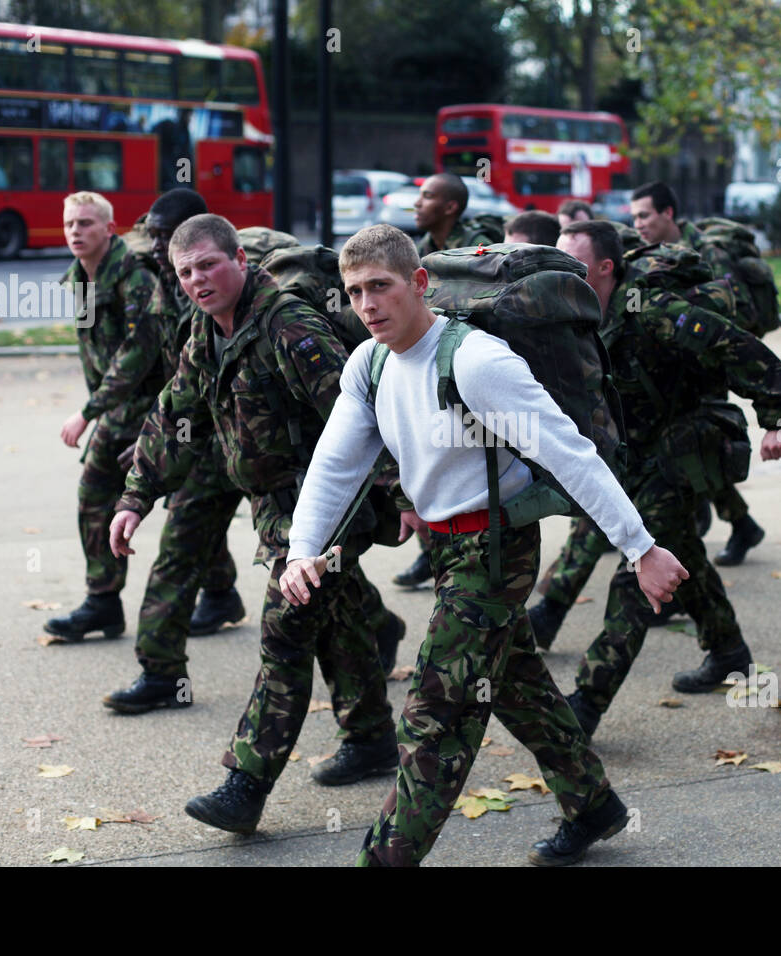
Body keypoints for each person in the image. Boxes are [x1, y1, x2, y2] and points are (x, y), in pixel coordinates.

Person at [278, 223, 689, 866]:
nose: (367, 305)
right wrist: (302, 549)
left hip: (495, 550)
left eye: (380, 287)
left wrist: (640, 546)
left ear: (418, 284)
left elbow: (569, 451)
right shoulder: (371, 362)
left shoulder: (475, 360)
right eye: (355, 292)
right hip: (446, 551)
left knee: (437, 713)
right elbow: (336, 464)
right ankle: (593, 804)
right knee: (516, 683)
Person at [110, 214, 405, 833]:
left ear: (240, 260)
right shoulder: (208, 327)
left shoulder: (290, 327)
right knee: (338, 619)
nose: (197, 280)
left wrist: (401, 496)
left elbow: (361, 414)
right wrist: (135, 497)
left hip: (325, 504)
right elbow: (176, 410)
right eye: (186, 270)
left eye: (209, 265)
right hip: (275, 502)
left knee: (285, 633)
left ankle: (245, 785)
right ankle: (373, 738)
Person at [549, 221, 781, 734]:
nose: (561, 274)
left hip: (679, 449)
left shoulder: (654, 313)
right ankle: (729, 650)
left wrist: (775, 417)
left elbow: (745, 352)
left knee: (638, 575)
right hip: (628, 458)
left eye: (572, 264)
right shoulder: (572, 316)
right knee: (684, 551)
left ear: (606, 268)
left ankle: (588, 703)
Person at [101, 189, 249, 714]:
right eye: (158, 236)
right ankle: (162, 674)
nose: (160, 245)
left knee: (319, 583)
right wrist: (146, 457)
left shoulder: (278, 315)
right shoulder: (168, 282)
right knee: (178, 551)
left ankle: (376, 629)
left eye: (170, 236)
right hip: (206, 447)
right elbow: (175, 382)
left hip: (272, 456)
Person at [44, 192, 165, 643]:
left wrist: (88, 412)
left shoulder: (133, 279)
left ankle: (218, 589)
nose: (76, 231)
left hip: (158, 409)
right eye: (70, 223)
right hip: (117, 411)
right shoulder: (79, 278)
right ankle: (103, 603)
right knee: (95, 495)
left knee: (187, 501)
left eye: (86, 223)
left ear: (108, 229)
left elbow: (140, 353)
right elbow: (96, 355)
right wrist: (98, 405)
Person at [630, 180, 767, 566]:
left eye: (645, 215)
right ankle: (736, 524)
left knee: (697, 450)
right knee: (688, 453)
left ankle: (713, 530)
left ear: (667, 213)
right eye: (634, 216)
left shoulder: (708, 251)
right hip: (668, 371)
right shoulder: (646, 252)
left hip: (705, 369)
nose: (638, 223)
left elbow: (734, 312)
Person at [392, 172, 501, 589]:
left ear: (451, 206)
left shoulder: (477, 245)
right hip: (428, 363)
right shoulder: (419, 251)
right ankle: (431, 551)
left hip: (473, 365)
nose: (417, 205)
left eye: (427, 197)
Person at [413, 172, 496, 256]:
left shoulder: (478, 248)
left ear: (450, 208)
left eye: (427, 196)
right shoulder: (423, 246)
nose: (417, 203)